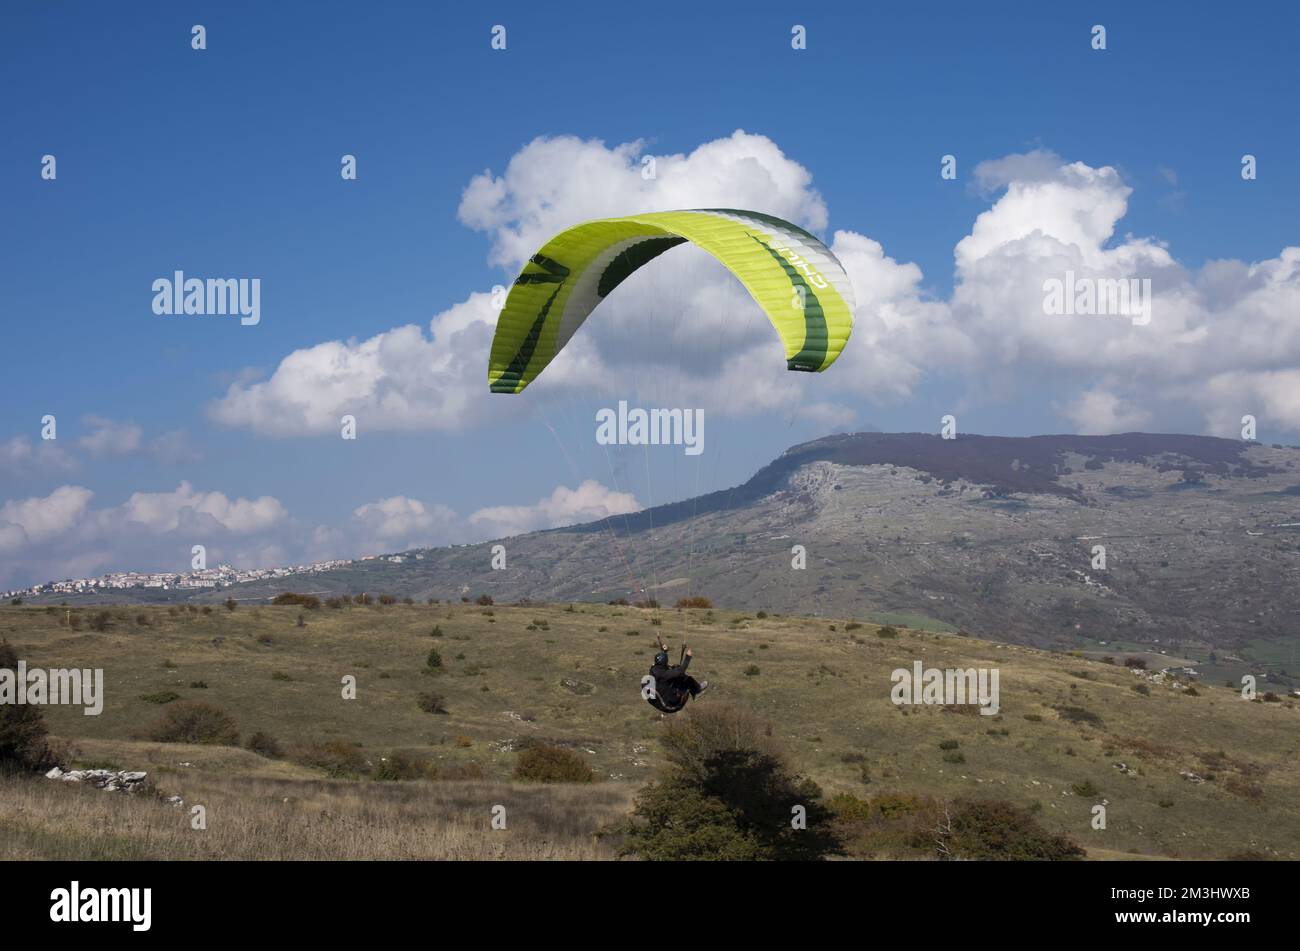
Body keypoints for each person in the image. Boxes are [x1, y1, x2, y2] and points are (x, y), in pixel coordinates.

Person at [646, 644, 708, 713]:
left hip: (660, 695)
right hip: (669, 704)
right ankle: (697, 690)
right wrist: (688, 657)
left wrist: (664, 651)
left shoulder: (654, 668)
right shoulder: (664, 674)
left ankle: (695, 692)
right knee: (685, 679)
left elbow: (661, 662)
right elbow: (680, 671)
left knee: (675, 669)